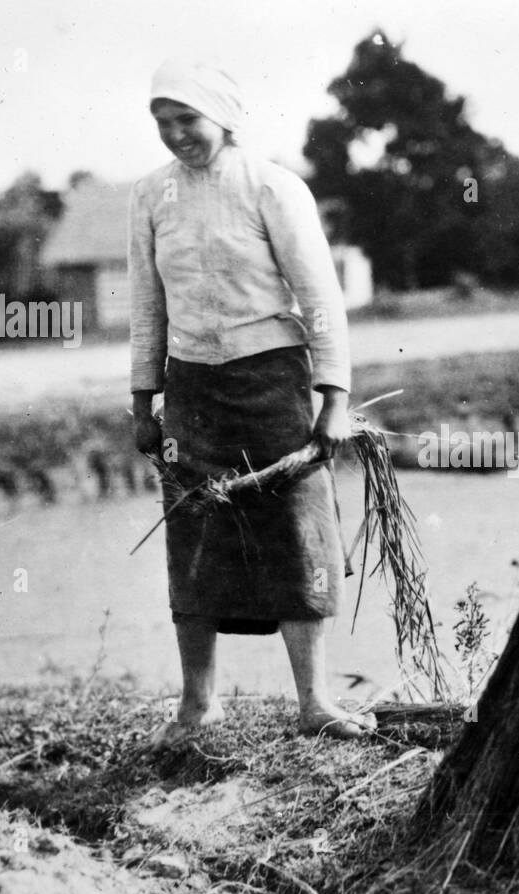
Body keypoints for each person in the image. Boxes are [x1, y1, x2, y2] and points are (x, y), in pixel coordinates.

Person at [128, 59, 376, 743]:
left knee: (296, 535)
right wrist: (143, 401)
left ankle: (315, 702)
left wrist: (334, 398)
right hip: (192, 389)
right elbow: (148, 307)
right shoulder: (150, 198)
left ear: (224, 117)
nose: (176, 135)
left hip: (273, 383)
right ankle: (199, 704)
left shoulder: (274, 187)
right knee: (195, 536)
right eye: (163, 123)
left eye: (188, 120)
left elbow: (322, 301)